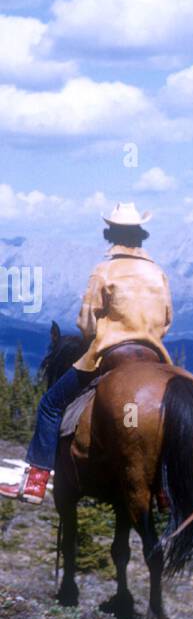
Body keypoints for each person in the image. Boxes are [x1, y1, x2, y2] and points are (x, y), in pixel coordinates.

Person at [1, 202, 173, 505]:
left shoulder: (104, 271)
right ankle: (165, 489)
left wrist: (99, 335)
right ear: (141, 235)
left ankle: (36, 484)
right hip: (154, 355)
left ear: (111, 233)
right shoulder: (157, 273)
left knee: (51, 405)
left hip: (111, 354)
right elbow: (168, 319)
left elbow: (86, 322)